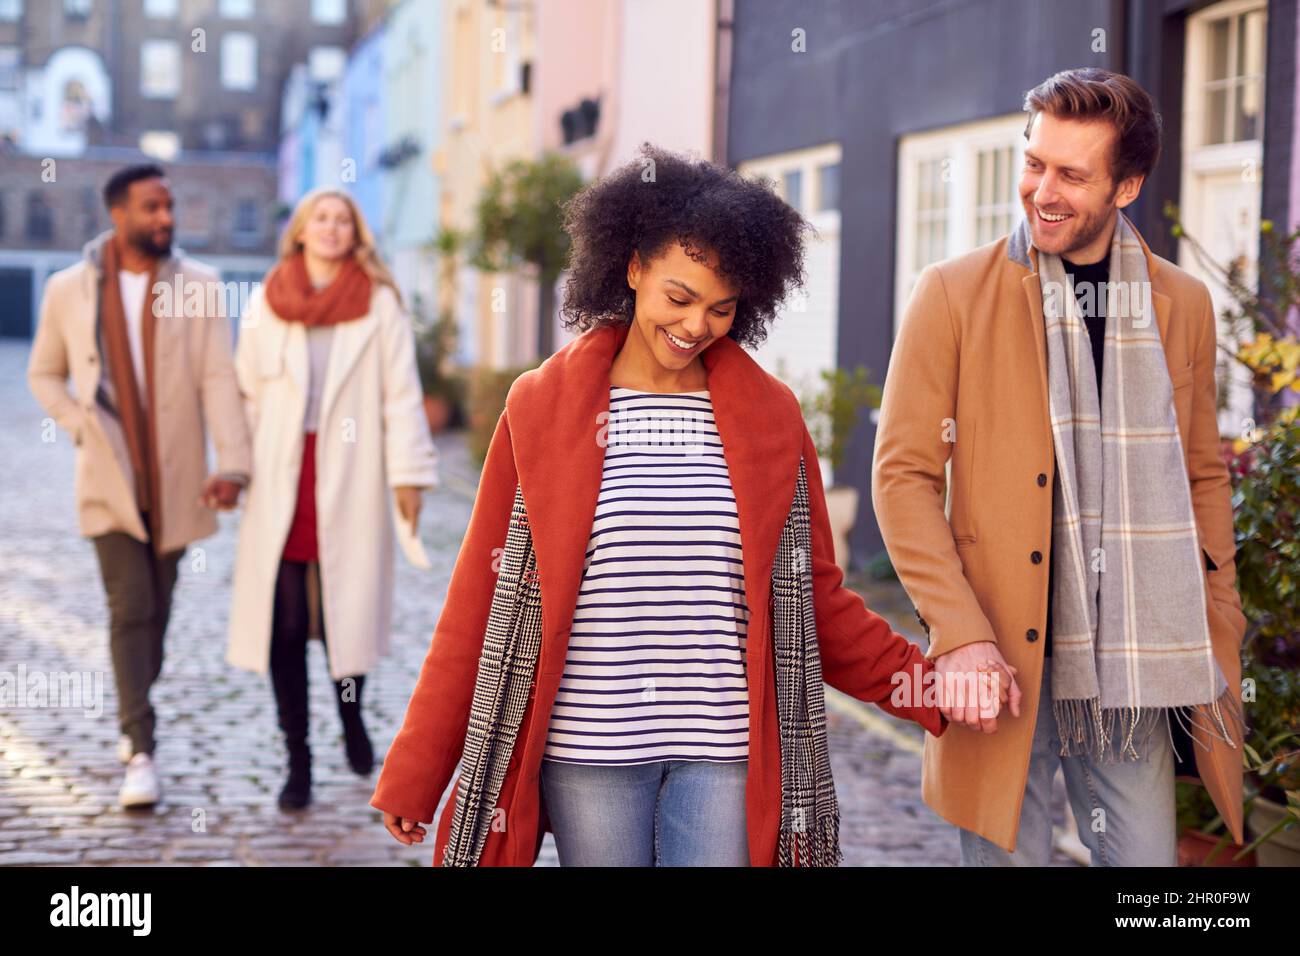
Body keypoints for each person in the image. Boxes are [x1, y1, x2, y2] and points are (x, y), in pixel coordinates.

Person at [371, 143, 954, 867]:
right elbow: (480, 599)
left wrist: (928, 686)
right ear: (635, 268)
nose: (695, 325)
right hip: (589, 747)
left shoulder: (769, 417)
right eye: (678, 298)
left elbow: (814, 598)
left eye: (721, 308)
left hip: (726, 747)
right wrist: (418, 772)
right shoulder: (542, 408)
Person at [872, 68, 1247, 866]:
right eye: (1034, 162)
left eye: (1072, 175)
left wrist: (1221, 611)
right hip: (998, 652)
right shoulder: (951, 294)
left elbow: (1201, 471)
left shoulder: (1182, 304)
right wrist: (959, 635)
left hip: (1133, 657)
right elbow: (903, 476)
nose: (1042, 189)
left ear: (1128, 185)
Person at [27, 163, 252, 809]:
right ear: (117, 213)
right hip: (107, 479)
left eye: (170, 207)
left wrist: (232, 465)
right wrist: (79, 424)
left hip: (177, 478)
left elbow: (216, 377)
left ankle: (135, 709)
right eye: (152, 207)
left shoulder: (200, 285)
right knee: (130, 607)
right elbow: (45, 374)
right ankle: (140, 748)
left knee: (157, 610)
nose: (166, 219)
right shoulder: (69, 289)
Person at [225, 186, 439, 810]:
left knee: (345, 612)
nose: (331, 227)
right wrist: (235, 469)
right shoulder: (267, 301)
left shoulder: (378, 304)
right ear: (300, 230)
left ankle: (351, 716)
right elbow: (242, 392)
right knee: (285, 624)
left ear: (355, 233)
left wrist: (409, 477)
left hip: (350, 472)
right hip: (280, 475)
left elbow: (401, 395)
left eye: (342, 219)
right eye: (321, 217)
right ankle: (298, 759)